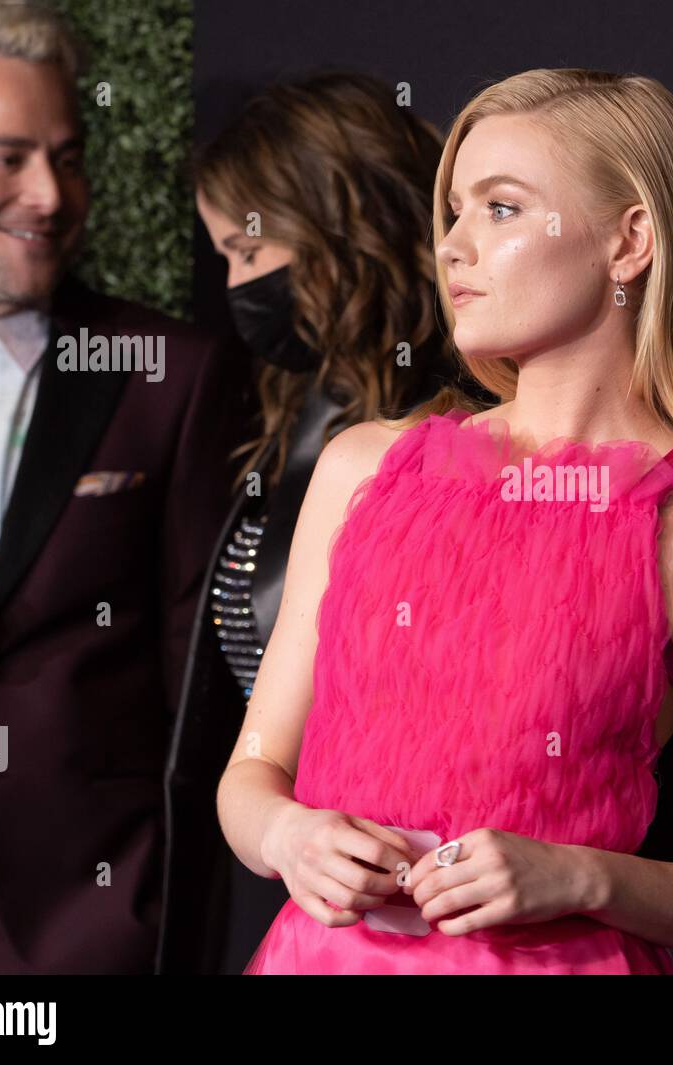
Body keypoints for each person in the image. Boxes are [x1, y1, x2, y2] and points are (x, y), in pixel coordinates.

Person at [218, 68, 673, 974]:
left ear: (631, 241)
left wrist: (585, 876)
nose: (454, 247)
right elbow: (248, 777)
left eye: (501, 209)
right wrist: (289, 834)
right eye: (454, 211)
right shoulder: (362, 469)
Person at [0, 0, 246, 973]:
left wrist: (159, 920)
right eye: (7, 158)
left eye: (67, 154)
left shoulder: (166, 372)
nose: (50, 194)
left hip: (81, 928)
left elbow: (199, 688)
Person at [158, 71, 465, 973]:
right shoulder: (293, 405)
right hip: (284, 868)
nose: (235, 286)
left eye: (248, 253)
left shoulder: (475, 420)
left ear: (339, 219)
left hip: (409, 908)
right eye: (220, 259)